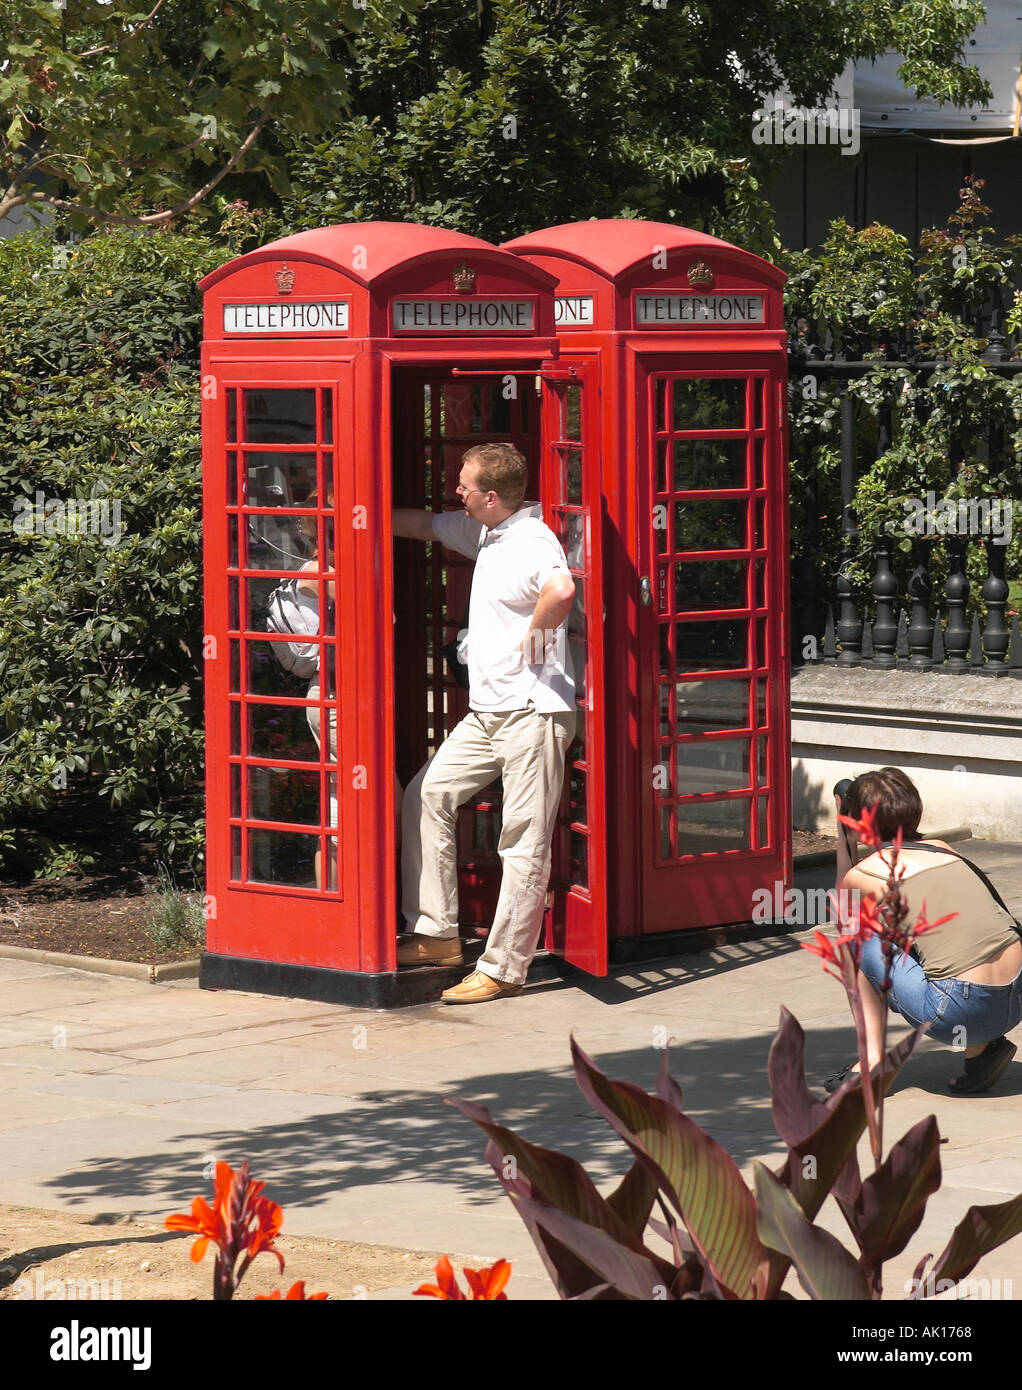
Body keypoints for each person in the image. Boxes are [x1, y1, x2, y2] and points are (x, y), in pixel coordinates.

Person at [392, 442, 577, 1004]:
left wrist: (537, 638)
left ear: (491, 496)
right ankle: (435, 933)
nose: (457, 489)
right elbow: (422, 524)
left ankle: (502, 967)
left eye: (464, 484)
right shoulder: (486, 533)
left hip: (533, 713)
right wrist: (347, 510)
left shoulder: (532, 541)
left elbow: (562, 588)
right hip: (487, 713)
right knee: (426, 796)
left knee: (522, 841)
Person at [827, 767, 1022, 1094]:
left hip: (957, 1011)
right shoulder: (944, 848)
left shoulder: (868, 872)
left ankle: (872, 1059)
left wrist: (844, 833)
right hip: (1015, 1000)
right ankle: (982, 1051)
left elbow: (843, 912)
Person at [297, 491, 402, 887]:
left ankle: (354, 900)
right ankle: (342, 903)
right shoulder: (320, 573)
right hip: (337, 697)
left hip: (348, 697)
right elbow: (380, 616)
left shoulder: (333, 569)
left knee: (357, 805)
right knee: (364, 808)